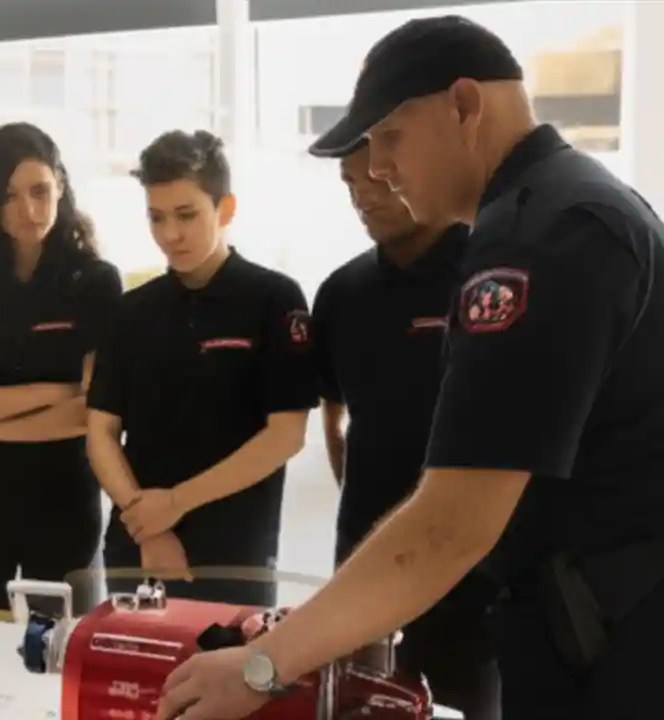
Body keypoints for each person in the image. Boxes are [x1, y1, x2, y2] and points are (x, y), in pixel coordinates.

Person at [156, 16, 664, 720]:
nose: (380, 169)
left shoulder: (542, 239)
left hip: (606, 639)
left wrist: (262, 666)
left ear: (464, 105)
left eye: (390, 137)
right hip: (581, 621)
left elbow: (453, 522)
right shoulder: (563, 207)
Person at [85, 130, 318, 605]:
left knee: (232, 676)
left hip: (233, 552)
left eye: (186, 215)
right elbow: (101, 433)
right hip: (137, 546)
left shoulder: (273, 299)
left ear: (225, 209)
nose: (170, 234)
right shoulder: (132, 311)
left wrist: (175, 503)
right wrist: (145, 522)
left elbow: (286, 434)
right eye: (156, 217)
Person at [313, 140, 499, 718]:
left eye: (373, 177)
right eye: (348, 183)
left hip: (469, 567)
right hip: (365, 559)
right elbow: (334, 412)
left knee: (463, 704)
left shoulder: (488, 278)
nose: (362, 195)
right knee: (358, 703)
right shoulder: (341, 294)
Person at [0, 122, 122, 610]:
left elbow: (92, 414)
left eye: (40, 191)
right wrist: (54, 394)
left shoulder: (95, 282)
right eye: (10, 196)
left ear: (61, 187)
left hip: (64, 502)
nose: (29, 210)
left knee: (53, 658)